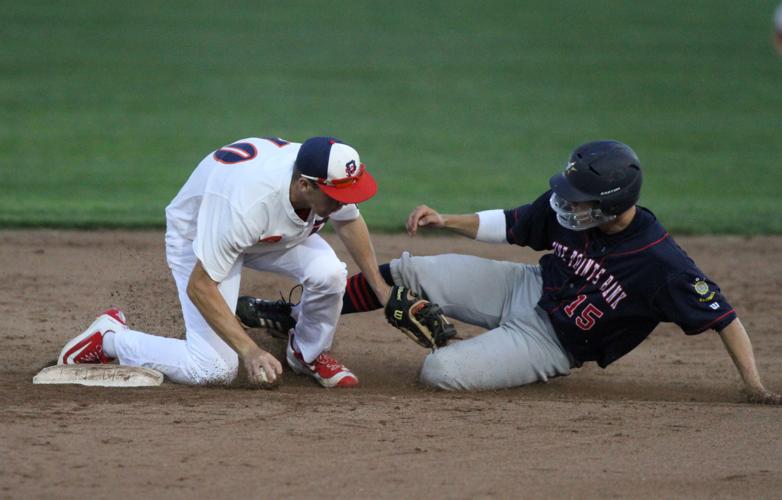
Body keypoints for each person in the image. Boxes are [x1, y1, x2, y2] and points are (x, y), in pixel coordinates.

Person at [240, 140, 781, 404]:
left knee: (440, 374)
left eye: (581, 199)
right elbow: (517, 222)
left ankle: (461, 345)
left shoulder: (662, 264)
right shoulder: (573, 207)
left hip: (551, 343)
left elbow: (724, 317)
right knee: (410, 271)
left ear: (615, 205)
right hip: (527, 286)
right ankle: (294, 317)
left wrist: (753, 386)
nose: (566, 205)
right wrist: (444, 220)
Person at [57, 136, 391, 388]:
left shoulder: (323, 176)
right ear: (304, 185)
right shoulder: (248, 205)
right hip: (200, 235)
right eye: (336, 198)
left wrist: (379, 287)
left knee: (330, 273)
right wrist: (249, 350)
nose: (343, 203)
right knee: (213, 369)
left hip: (267, 234)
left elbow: (349, 220)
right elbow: (200, 287)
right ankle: (111, 339)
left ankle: (307, 353)